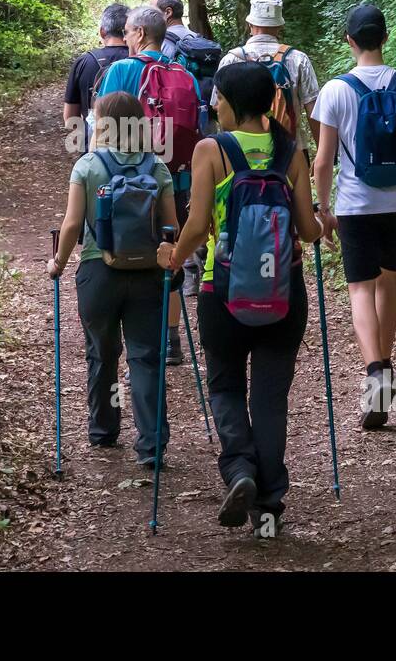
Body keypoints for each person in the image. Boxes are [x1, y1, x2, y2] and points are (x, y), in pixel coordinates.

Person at [157, 61, 322, 538]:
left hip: (221, 290)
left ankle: (240, 472)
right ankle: (268, 507)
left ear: (232, 102)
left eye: (219, 98)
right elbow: (308, 231)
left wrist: (174, 257)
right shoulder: (291, 151)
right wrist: (322, 221)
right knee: (270, 400)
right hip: (283, 295)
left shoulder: (212, 150)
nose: (214, 105)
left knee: (226, 387)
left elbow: (195, 225)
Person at [312, 2, 396, 430]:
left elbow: (323, 160)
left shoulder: (335, 91)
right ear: (385, 37)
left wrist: (323, 208)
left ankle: (376, 372)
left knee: (359, 290)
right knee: (388, 283)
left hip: (355, 206)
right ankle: (384, 368)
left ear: (349, 41)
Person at [48, 91, 180, 467]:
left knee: (102, 354)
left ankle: (104, 430)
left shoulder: (87, 166)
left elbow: (72, 224)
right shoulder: (157, 167)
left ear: (101, 123)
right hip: (148, 275)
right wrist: (171, 259)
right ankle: (151, 445)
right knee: (145, 358)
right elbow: (171, 227)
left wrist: (57, 262)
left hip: (98, 272)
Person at [95, 5, 200, 365]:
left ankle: (133, 342)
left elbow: (102, 128)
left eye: (127, 32)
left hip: (127, 182)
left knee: (125, 255)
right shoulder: (185, 74)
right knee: (167, 254)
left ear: (140, 33)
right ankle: (171, 340)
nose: (124, 38)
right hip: (175, 180)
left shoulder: (122, 70)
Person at [212, 0, 322, 164]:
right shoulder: (298, 59)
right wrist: (323, 153)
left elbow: (216, 106)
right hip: (291, 152)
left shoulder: (231, 60)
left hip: (240, 154)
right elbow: (313, 110)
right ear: (279, 26)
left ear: (250, 24)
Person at [63, 2, 130, 151]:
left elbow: (69, 118)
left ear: (102, 32)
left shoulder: (84, 62)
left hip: (93, 150)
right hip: (134, 152)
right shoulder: (140, 61)